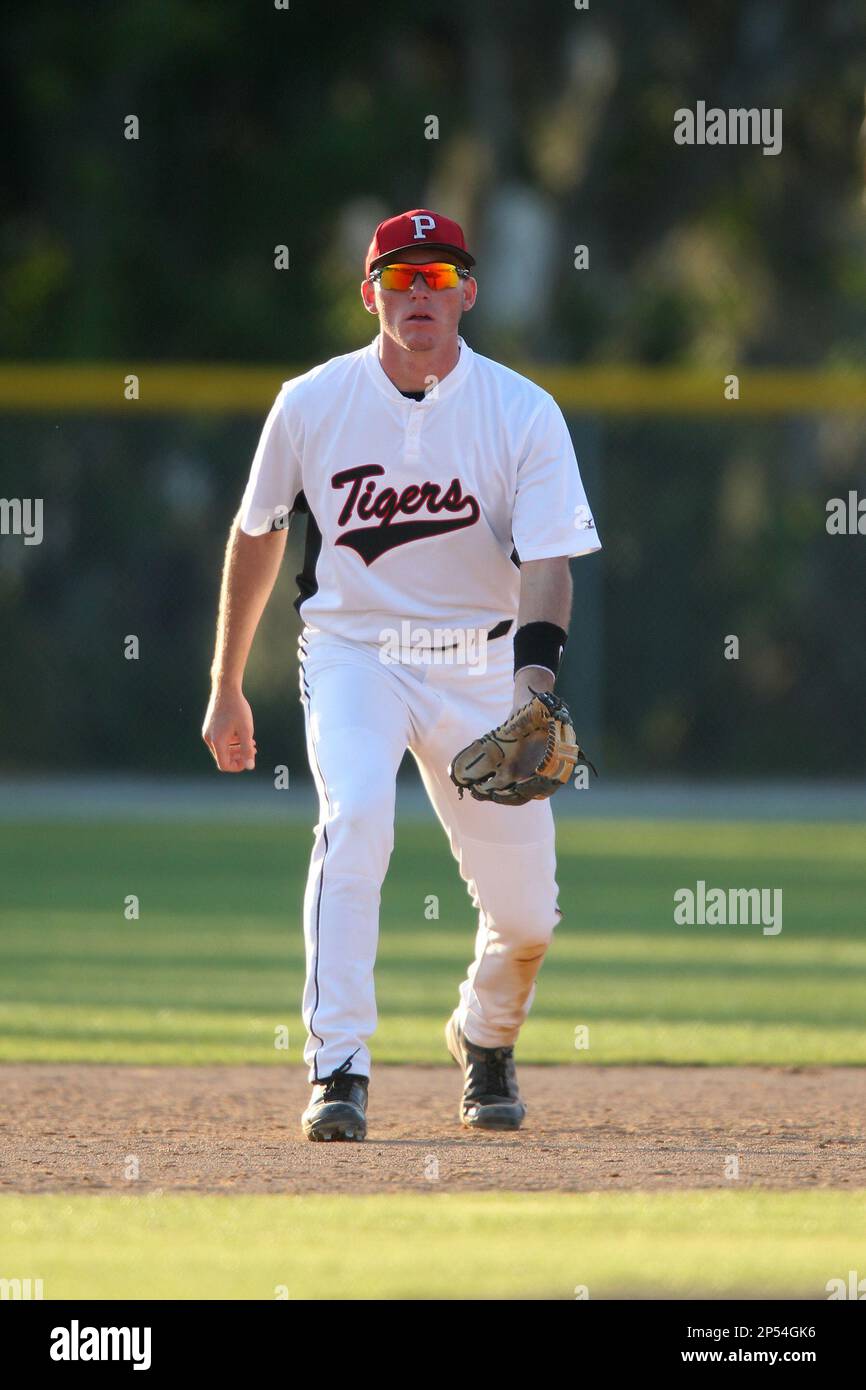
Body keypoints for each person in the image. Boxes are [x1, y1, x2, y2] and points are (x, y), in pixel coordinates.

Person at [201, 208, 601, 1141]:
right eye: (400, 276)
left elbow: (548, 560)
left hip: (482, 659)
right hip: (355, 653)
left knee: (528, 918)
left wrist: (532, 686)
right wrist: (226, 681)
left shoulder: (521, 410)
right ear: (369, 293)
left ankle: (483, 1036)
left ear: (468, 292)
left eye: (438, 276)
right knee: (357, 822)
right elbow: (257, 533)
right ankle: (339, 1067)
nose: (419, 293)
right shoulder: (311, 401)